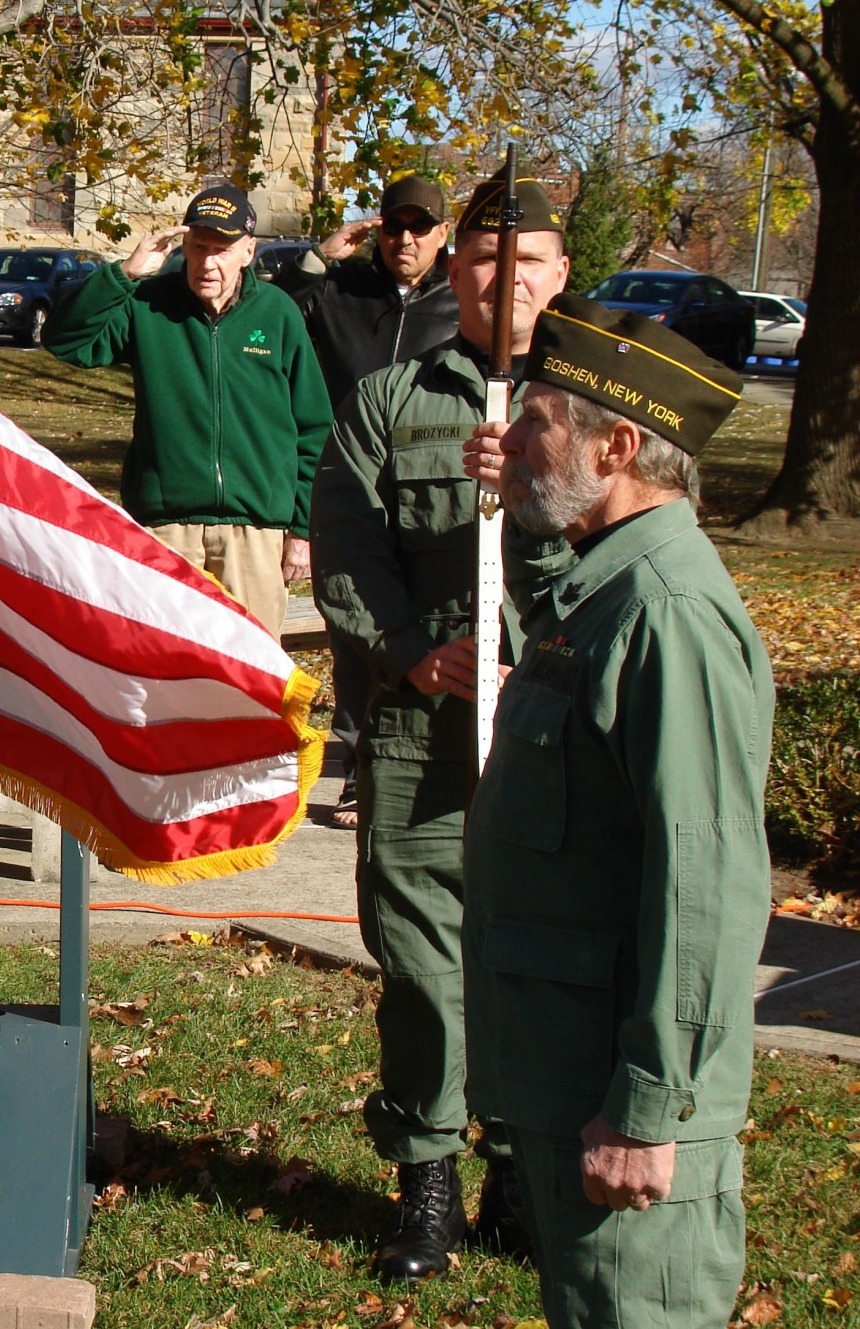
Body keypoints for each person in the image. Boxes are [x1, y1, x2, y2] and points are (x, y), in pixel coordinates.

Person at [460, 294, 768, 1329]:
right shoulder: (605, 590)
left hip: (622, 1099)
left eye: (538, 419)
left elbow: (703, 881)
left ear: (618, 445)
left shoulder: (666, 615)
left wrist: (646, 1105)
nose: (510, 437)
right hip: (567, 1077)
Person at [308, 168, 573, 1281]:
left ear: (557, 280)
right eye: (478, 259)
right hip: (423, 727)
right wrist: (412, 650)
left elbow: (640, 551)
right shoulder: (386, 400)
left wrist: (541, 494)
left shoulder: (594, 411)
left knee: (541, 954)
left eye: (524, 264)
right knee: (420, 963)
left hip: (554, 732)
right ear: (450, 271)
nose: (498, 279)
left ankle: (520, 1167)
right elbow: (346, 547)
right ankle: (427, 1182)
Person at [44, 184, 331, 636]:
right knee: (162, 668)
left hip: (255, 533)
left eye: (223, 250)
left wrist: (302, 529)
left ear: (248, 252)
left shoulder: (276, 313)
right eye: (199, 247)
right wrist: (126, 273)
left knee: (253, 674)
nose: (208, 263)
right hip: (166, 528)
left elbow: (314, 427)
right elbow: (68, 341)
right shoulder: (148, 305)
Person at [279, 174, 463, 827]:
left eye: (420, 227)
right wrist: (319, 257)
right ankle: (358, 773)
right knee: (356, 631)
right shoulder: (340, 291)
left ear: (444, 234)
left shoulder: (458, 301)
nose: (405, 239)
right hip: (348, 484)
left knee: (422, 622)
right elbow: (275, 313)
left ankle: (422, 767)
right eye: (393, 227)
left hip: (428, 488)